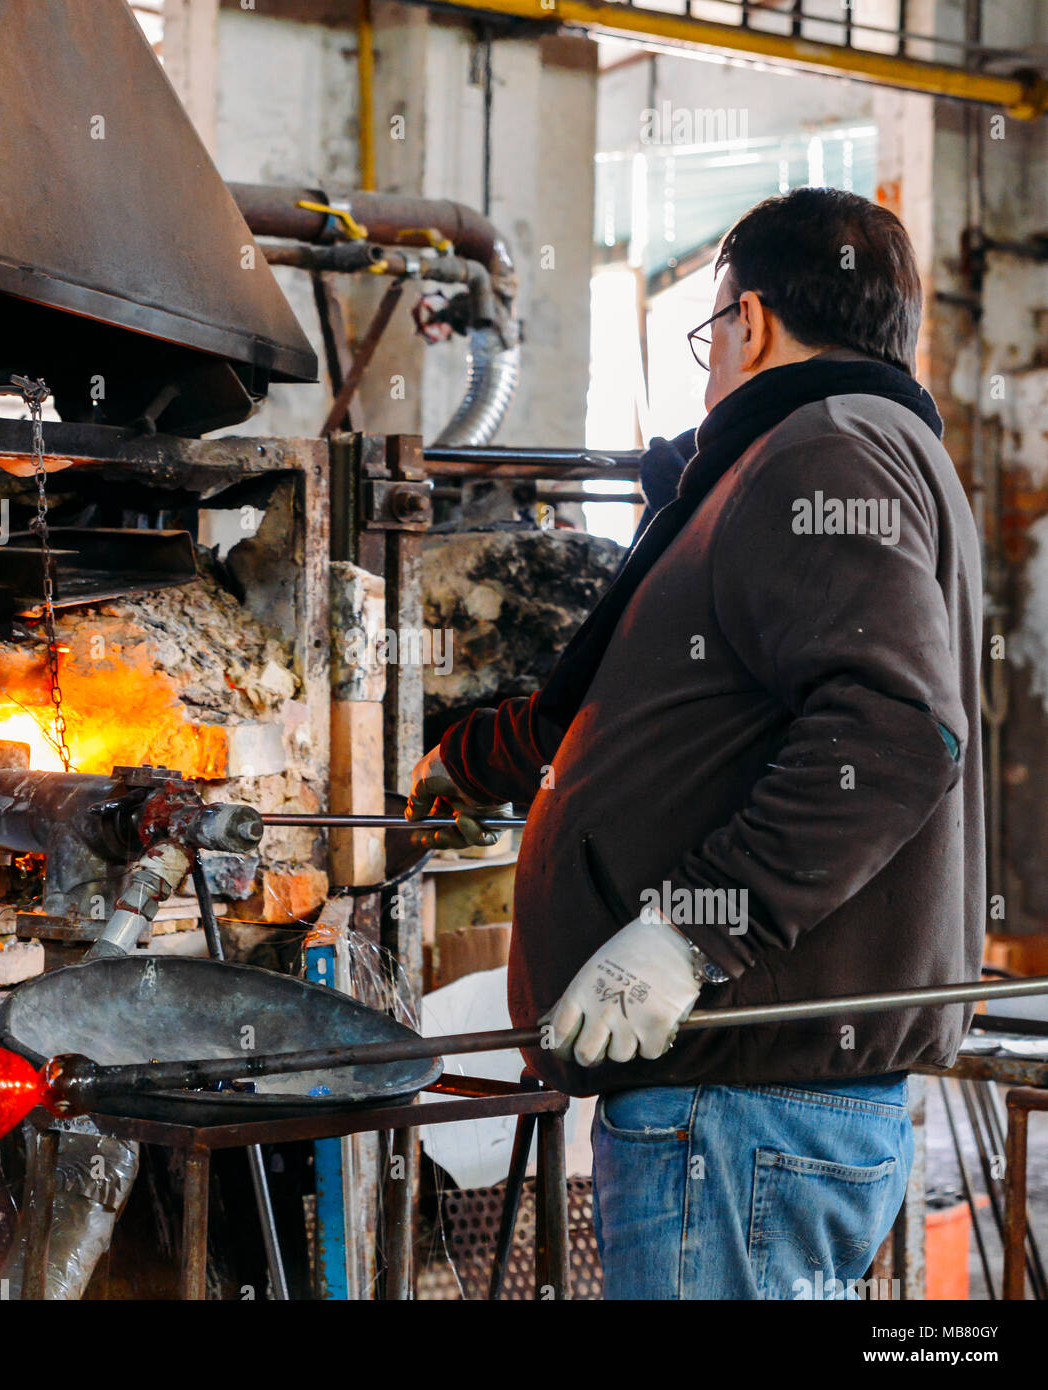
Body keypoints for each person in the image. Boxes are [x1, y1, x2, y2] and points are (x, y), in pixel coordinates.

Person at [407, 187, 983, 1300]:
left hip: (742, 1107)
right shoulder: (840, 448)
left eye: (708, 331)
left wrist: (688, 936)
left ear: (751, 322)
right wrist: (471, 764)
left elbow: (898, 730)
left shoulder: (824, 455)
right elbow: (673, 693)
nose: (707, 360)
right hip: (752, 1104)